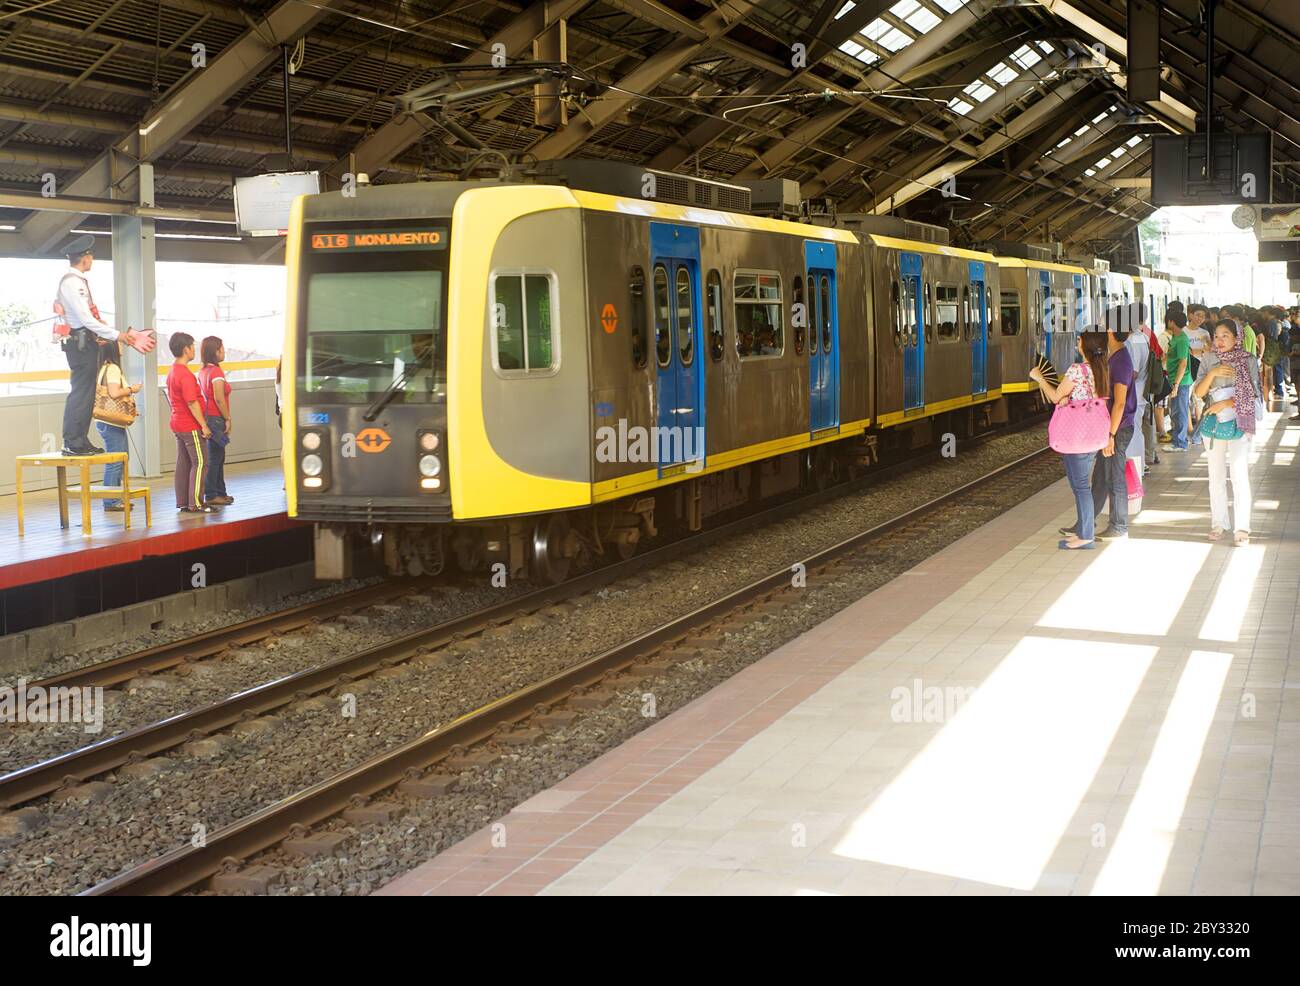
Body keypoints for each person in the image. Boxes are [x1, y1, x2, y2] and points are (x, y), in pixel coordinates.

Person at [54, 235, 154, 456]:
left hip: (84, 341)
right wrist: (119, 336)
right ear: (85, 258)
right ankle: (73, 441)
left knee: (87, 392)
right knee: (81, 392)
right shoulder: (73, 283)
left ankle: (79, 439)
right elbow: (86, 318)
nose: (92, 259)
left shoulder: (75, 282)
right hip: (80, 344)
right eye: (91, 255)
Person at [1031, 331, 1110, 551]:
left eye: (1079, 340)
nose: (1077, 343)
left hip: (1076, 435)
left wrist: (1039, 378)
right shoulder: (1102, 368)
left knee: (1081, 487)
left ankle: (1086, 535)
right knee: (1082, 485)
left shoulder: (1077, 370)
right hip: (1093, 433)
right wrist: (1069, 398)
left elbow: (1056, 397)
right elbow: (1089, 397)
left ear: (1086, 345)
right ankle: (1085, 532)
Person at [1193, 319, 1259, 546]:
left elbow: (1254, 394)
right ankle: (1218, 523)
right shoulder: (1208, 359)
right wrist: (1212, 374)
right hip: (1213, 425)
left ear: (1236, 337)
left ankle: (1242, 528)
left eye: (1225, 336)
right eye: (1216, 336)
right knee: (1216, 477)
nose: (1219, 341)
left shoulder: (1248, 360)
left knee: (1239, 476)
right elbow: (1199, 393)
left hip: (1240, 424)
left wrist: (1228, 402)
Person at [166, 332, 214, 514]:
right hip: (189, 424)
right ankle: (196, 503)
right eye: (193, 346)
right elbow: (192, 402)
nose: (194, 350)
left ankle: (183, 502)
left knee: (184, 463)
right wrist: (204, 425)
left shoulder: (172, 371)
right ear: (186, 349)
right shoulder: (185, 374)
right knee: (201, 462)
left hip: (177, 423)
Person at [94, 341, 141, 513]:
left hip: (104, 420)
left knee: (117, 460)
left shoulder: (101, 367)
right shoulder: (113, 368)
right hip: (112, 422)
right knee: (115, 462)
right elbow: (114, 393)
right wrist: (131, 389)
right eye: (120, 344)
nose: (123, 347)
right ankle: (111, 501)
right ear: (112, 348)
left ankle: (114, 498)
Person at [198, 336, 234, 506]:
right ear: (215, 351)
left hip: (209, 418)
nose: (224, 351)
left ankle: (221, 492)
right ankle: (212, 494)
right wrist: (227, 418)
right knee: (215, 458)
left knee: (218, 456)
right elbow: (219, 398)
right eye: (222, 348)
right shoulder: (216, 372)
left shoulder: (204, 371)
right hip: (216, 419)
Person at [1163, 310, 1192, 451]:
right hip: (1175, 380)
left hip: (1181, 381)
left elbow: (1183, 363)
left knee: (1180, 411)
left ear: (1172, 321)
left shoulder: (1181, 339)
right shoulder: (1175, 337)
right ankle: (1177, 441)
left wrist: (1176, 384)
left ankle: (1181, 443)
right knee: (1174, 411)